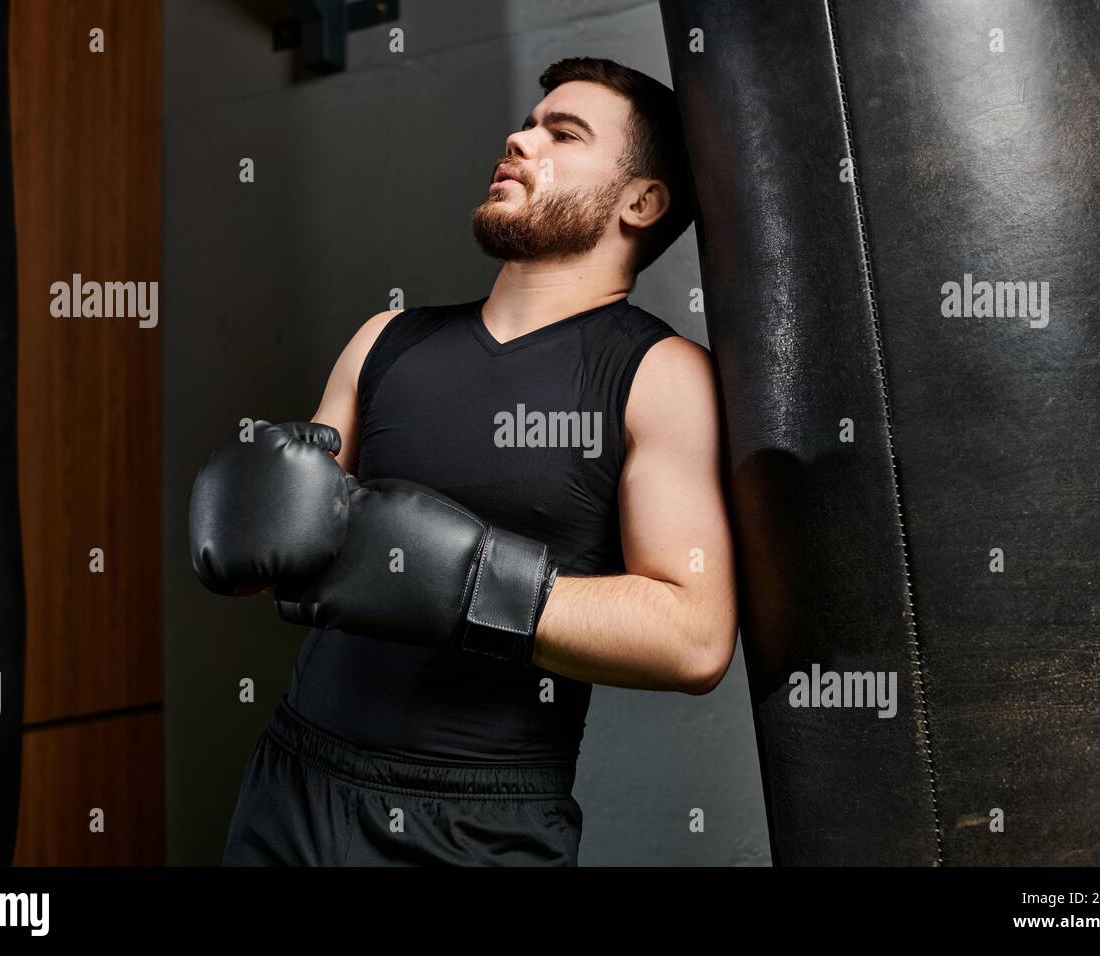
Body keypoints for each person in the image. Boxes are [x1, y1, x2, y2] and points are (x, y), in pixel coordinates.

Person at [190, 56, 738, 866]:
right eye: (527, 121)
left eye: (563, 132)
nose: (520, 138)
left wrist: (474, 583)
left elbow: (693, 639)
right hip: (293, 783)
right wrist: (249, 529)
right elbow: (285, 557)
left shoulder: (659, 376)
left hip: (475, 821)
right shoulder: (385, 340)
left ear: (640, 201)